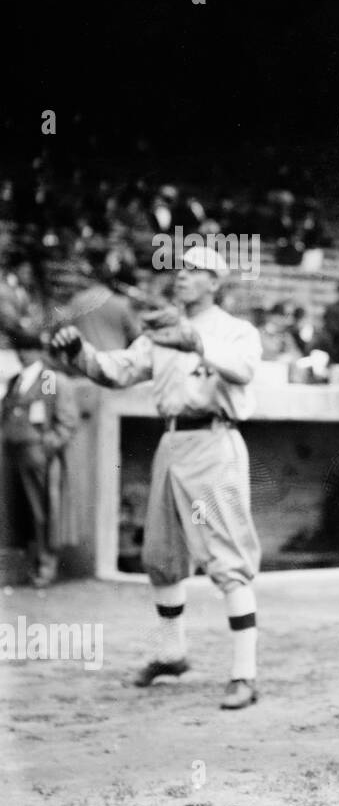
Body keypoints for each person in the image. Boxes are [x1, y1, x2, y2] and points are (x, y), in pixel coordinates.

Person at [50, 247, 263, 710]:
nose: (182, 277)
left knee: (227, 557)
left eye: (194, 271)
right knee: (160, 554)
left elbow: (245, 370)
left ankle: (245, 673)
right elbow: (118, 370)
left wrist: (198, 343)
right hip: (172, 441)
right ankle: (172, 652)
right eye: (180, 269)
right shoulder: (161, 331)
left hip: (213, 439)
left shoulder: (235, 330)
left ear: (215, 282)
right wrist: (78, 353)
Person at [1, 331, 79, 586]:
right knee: (15, 512)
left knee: (41, 511)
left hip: (36, 453)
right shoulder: (15, 381)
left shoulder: (48, 379)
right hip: (12, 453)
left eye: (28, 348)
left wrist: (48, 447)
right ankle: (23, 564)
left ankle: (46, 564)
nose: (23, 354)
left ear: (39, 351)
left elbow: (65, 421)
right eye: (20, 349)